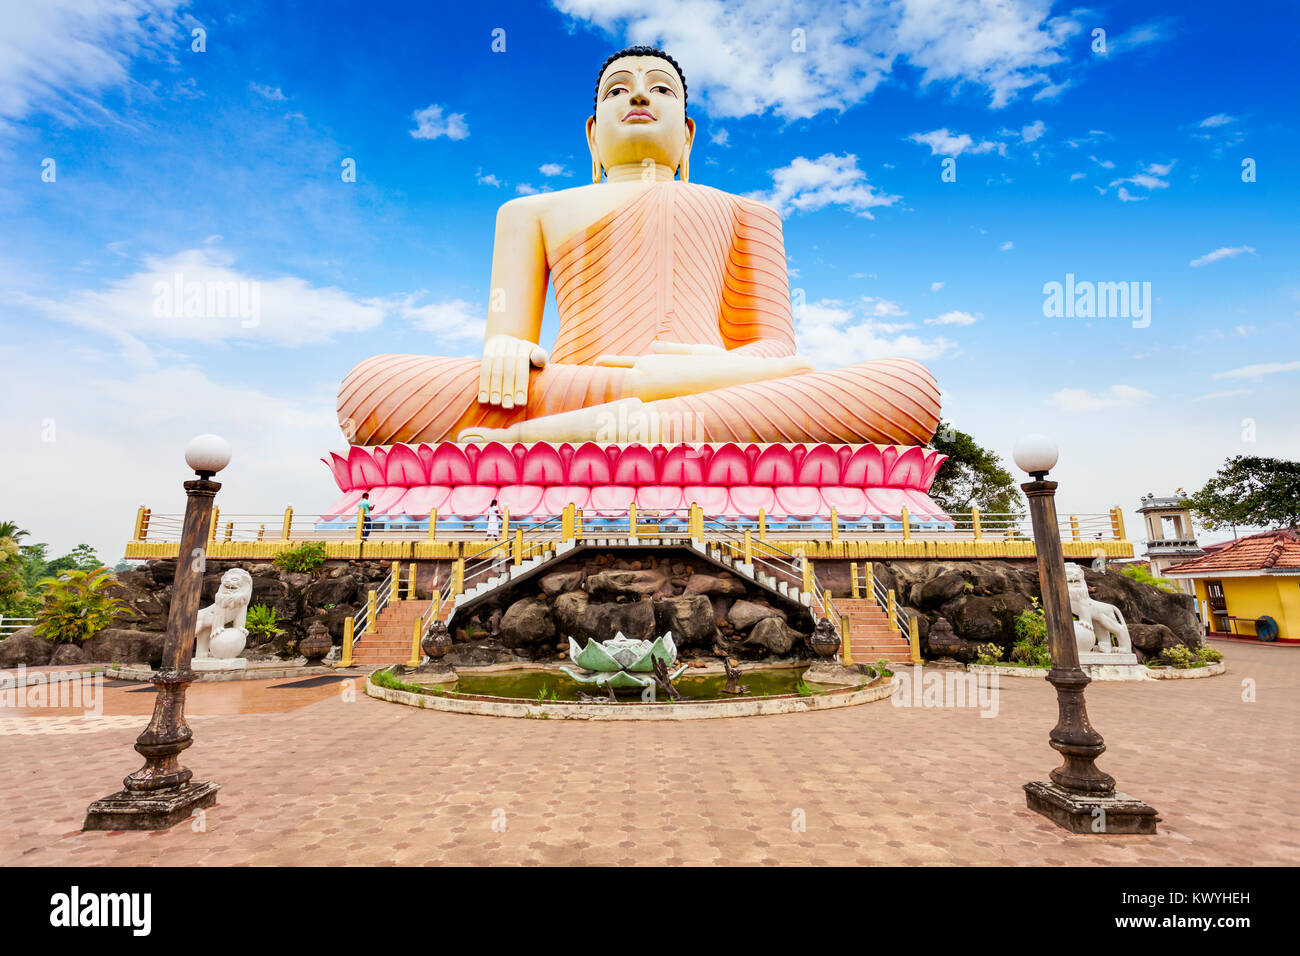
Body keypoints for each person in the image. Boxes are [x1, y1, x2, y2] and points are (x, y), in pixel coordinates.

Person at [337, 45, 939, 448]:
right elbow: (508, 337)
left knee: (906, 388)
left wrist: (694, 370)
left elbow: (777, 350)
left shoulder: (746, 212)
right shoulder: (528, 212)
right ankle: (625, 424)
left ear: (688, 136)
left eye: (660, 90)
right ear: (594, 135)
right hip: (576, 381)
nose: (639, 97)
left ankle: (535, 443)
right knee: (374, 386)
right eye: (618, 90)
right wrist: (506, 347)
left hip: (718, 383)